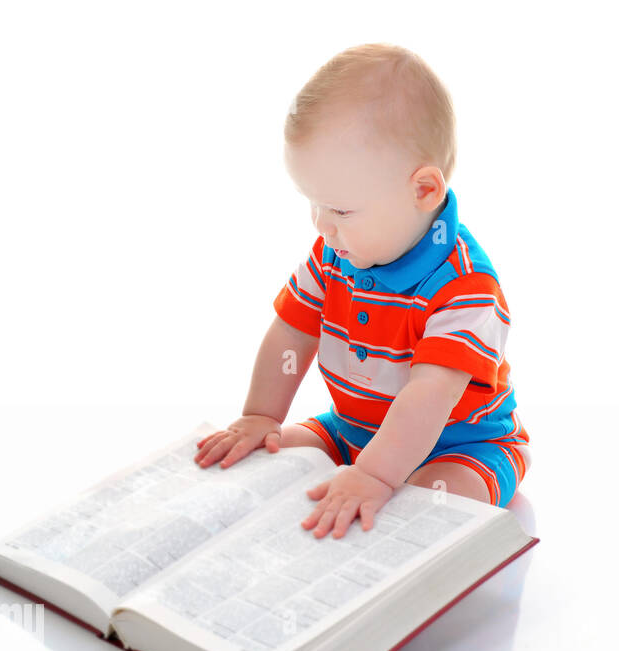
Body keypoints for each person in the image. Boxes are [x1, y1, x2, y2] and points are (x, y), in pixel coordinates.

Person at [194, 44, 530, 538]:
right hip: (350, 431)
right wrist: (261, 416)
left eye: (341, 211)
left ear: (423, 191)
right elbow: (291, 334)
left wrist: (374, 475)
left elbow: (428, 397)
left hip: (463, 446)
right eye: (313, 204)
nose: (322, 226)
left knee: (427, 504)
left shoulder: (465, 287)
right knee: (265, 461)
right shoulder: (336, 254)